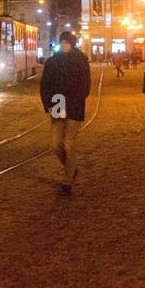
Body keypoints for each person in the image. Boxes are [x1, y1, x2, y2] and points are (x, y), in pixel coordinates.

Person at [39, 30, 91, 196]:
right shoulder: (52, 62)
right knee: (55, 145)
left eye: (67, 43)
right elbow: (44, 85)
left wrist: (76, 101)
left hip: (74, 106)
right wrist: (48, 103)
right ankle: (71, 168)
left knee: (69, 144)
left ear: (72, 44)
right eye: (62, 43)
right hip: (57, 105)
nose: (65, 45)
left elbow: (85, 85)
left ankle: (67, 181)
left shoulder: (81, 60)